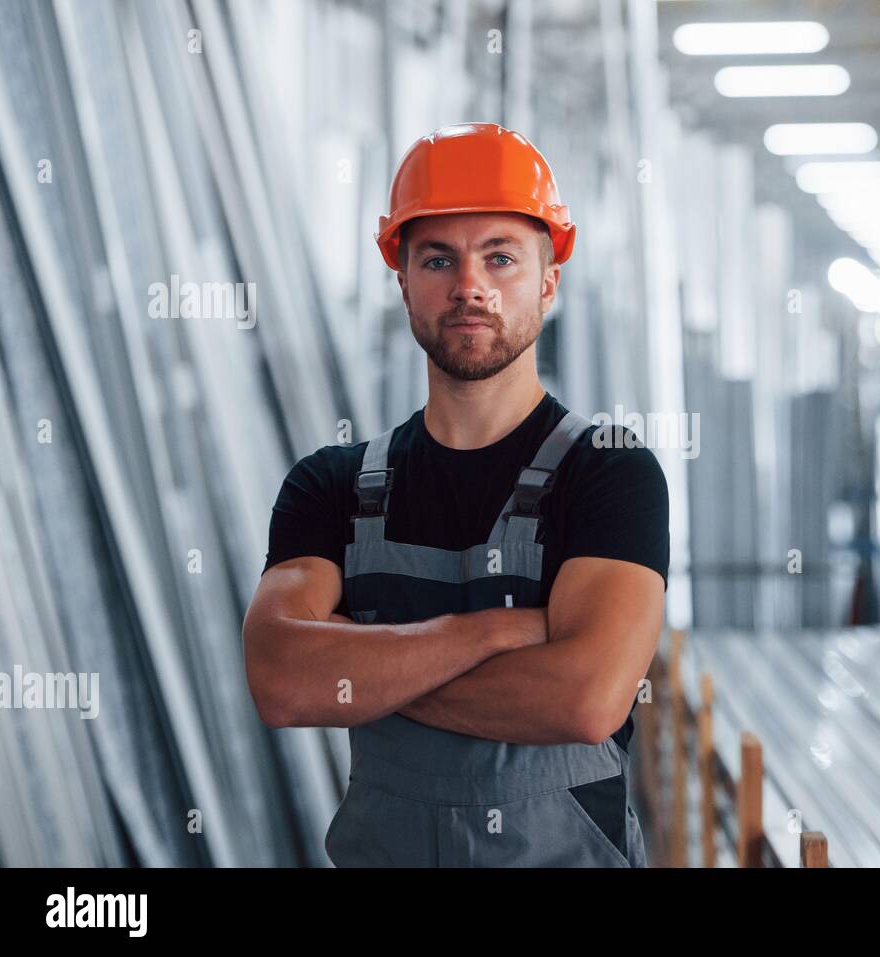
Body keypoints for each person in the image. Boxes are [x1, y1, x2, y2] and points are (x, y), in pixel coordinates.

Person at [242, 123, 669, 867]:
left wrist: (357, 669)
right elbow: (280, 681)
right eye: (438, 258)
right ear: (402, 277)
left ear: (548, 278)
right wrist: (491, 633)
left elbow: (587, 698)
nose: (469, 285)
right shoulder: (331, 485)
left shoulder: (609, 471)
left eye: (500, 257)